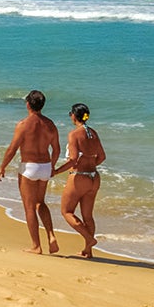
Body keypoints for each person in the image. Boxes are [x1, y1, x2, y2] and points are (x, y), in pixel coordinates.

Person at [0, 89, 60, 254]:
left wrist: (2, 166)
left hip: (29, 168)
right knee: (41, 202)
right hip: (45, 166)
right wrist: (52, 166)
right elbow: (57, 149)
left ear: (27, 104)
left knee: (29, 207)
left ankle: (36, 246)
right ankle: (51, 235)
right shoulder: (50, 124)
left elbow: (12, 149)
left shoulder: (23, 125)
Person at [52, 102, 106, 259]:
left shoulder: (74, 134)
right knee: (88, 216)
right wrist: (90, 165)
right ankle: (87, 251)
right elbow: (102, 157)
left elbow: (73, 159)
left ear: (74, 116)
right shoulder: (93, 133)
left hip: (79, 177)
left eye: (70, 113)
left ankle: (89, 239)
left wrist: (56, 171)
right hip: (94, 177)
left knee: (66, 211)